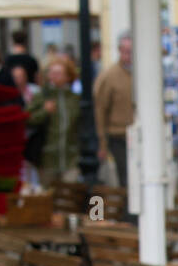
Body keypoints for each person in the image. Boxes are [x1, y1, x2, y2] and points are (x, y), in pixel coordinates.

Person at [27, 55, 81, 186]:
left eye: (59, 73)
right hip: (47, 158)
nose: (54, 76)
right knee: (49, 197)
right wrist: (44, 111)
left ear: (68, 76)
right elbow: (27, 118)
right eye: (52, 73)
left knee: (69, 196)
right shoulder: (42, 95)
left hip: (70, 157)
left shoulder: (75, 99)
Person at [94, 31, 134, 187]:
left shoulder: (143, 72)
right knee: (125, 176)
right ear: (119, 51)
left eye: (131, 52)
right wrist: (102, 144)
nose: (129, 56)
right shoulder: (109, 76)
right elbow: (100, 110)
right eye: (126, 52)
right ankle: (127, 210)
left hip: (140, 134)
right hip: (119, 135)